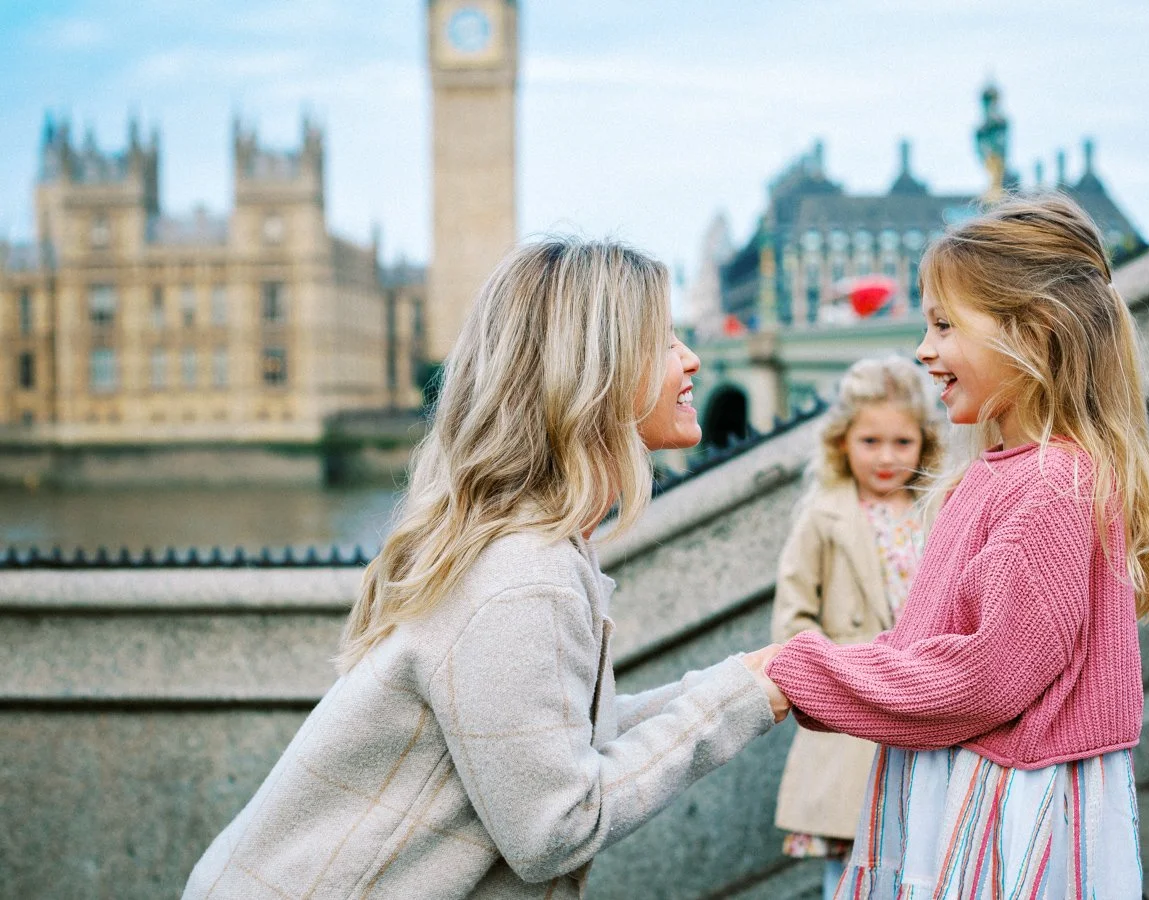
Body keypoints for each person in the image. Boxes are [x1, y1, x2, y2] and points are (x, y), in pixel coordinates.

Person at [183, 239, 789, 900]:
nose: (692, 358)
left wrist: (748, 680)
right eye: (665, 340)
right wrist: (736, 703)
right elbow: (556, 825)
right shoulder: (524, 575)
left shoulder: (530, 545)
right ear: (596, 373)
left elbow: (553, 741)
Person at [765, 194, 1149, 899]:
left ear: (1034, 335)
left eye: (944, 325)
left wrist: (802, 674)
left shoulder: (1050, 486)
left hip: (1008, 804)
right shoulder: (1000, 474)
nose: (924, 349)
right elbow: (933, 644)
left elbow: (986, 677)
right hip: (982, 784)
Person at [771, 355, 942, 898]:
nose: (887, 458)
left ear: (924, 443)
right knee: (852, 862)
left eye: (902, 442)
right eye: (870, 441)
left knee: (921, 852)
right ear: (843, 440)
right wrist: (830, 678)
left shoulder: (937, 507)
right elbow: (792, 616)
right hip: (854, 708)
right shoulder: (824, 515)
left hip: (925, 706)